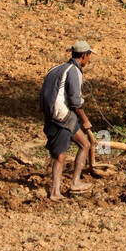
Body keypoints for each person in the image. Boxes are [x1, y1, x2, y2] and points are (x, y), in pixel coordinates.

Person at [40, 40, 95, 200]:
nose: (89, 60)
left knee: (81, 145)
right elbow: (75, 101)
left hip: (51, 114)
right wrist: (85, 120)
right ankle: (59, 190)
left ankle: (70, 184)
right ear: (84, 56)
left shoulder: (56, 68)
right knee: (64, 154)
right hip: (62, 115)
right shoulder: (74, 72)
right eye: (89, 56)